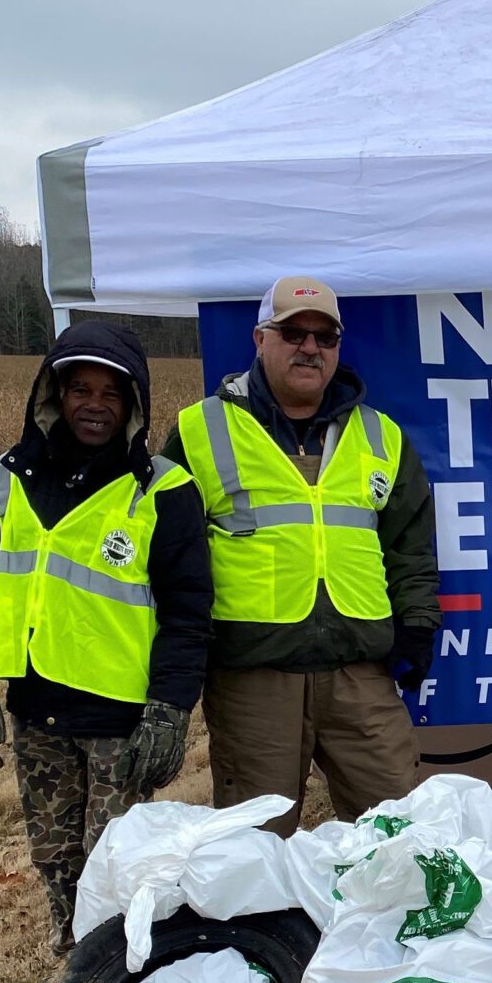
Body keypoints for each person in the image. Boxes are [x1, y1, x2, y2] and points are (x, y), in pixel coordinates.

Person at [0, 320, 212, 952]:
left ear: (133, 405)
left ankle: (116, 972)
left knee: (114, 857)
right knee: (55, 851)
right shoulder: (9, 480)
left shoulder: (161, 489)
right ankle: (70, 960)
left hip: (119, 714)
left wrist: (170, 708)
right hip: (37, 704)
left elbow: (188, 611)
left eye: (111, 393)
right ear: (53, 395)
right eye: (80, 389)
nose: (94, 405)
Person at [160, 276, 440, 833]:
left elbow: (410, 541)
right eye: (293, 332)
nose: (310, 347)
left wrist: (416, 622)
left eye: (325, 336)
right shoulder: (201, 431)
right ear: (260, 339)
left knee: (401, 836)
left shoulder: (379, 435)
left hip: (359, 672)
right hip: (253, 681)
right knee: (257, 850)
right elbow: (168, 558)